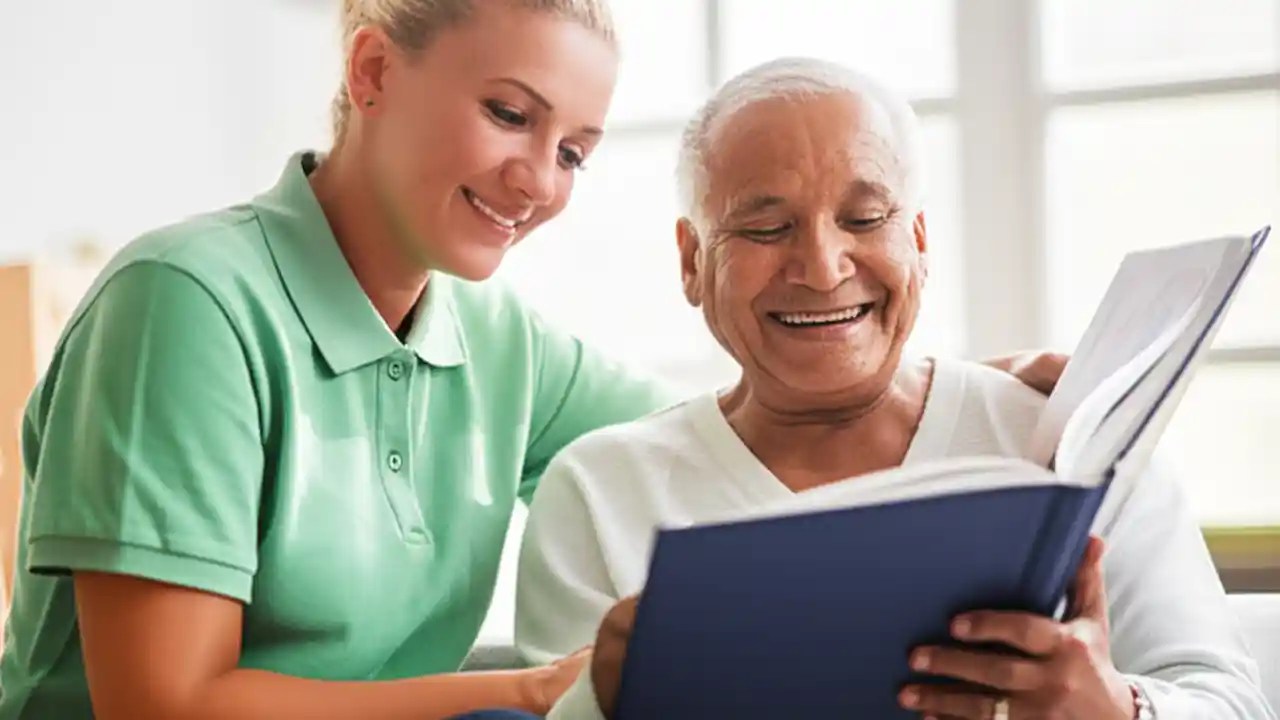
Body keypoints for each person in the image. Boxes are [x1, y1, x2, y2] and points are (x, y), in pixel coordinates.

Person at [0, 2, 1064, 719]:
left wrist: (952, 389)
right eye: (508, 114)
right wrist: (518, 691)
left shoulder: (497, 342)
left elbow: (743, 431)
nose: (538, 180)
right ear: (372, 71)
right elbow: (166, 706)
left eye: (573, 151)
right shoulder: (186, 303)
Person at [514, 58, 1276, 720]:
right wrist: (603, 696)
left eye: (865, 217)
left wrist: (1117, 708)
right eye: (766, 228)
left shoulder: (1073, 444)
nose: (821, 266)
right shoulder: (600, 490)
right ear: (691, 260)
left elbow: (1235, 701)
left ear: (917, 240)